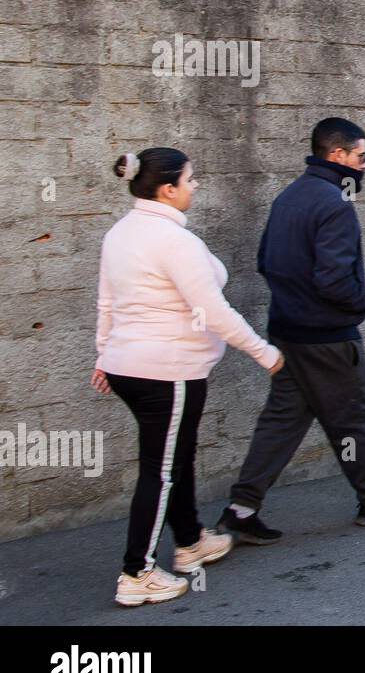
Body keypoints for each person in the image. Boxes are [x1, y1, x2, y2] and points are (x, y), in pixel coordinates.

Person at [217, 118, 365, 543]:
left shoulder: (288, 198)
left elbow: (264, 262)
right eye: (361, 157)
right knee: (354, 419)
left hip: (288, 332)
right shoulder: (333, 203)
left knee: (282, 422)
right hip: (328, 337)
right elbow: (334, 279)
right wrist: (357, 306)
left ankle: (241, 510)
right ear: (338, 155)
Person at [94, 148, 284, 606]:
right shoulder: (173, 242)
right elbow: (212, 310)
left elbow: (108, 302)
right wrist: (265, 353)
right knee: (161, 472)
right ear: (168, 189)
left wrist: (104, 355)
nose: (195, 186)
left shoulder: (121, 233)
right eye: (191, 179)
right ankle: (136, 573)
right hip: (166, 372)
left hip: (130, 367)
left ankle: (190, 542)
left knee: (175, 457)